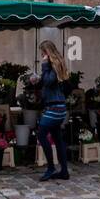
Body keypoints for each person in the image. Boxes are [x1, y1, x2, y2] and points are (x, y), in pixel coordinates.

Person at [33, 40, 70, 182]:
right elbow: (47, 82)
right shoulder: (56, 64)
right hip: (58, 106)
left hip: (55, 107)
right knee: (57, 138)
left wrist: (44, 65)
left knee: (41, 134)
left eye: (43, 52)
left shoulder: (53, 65)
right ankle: (64, 171)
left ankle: (51, 167)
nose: (41, 54)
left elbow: (49, 81)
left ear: (47, 52)